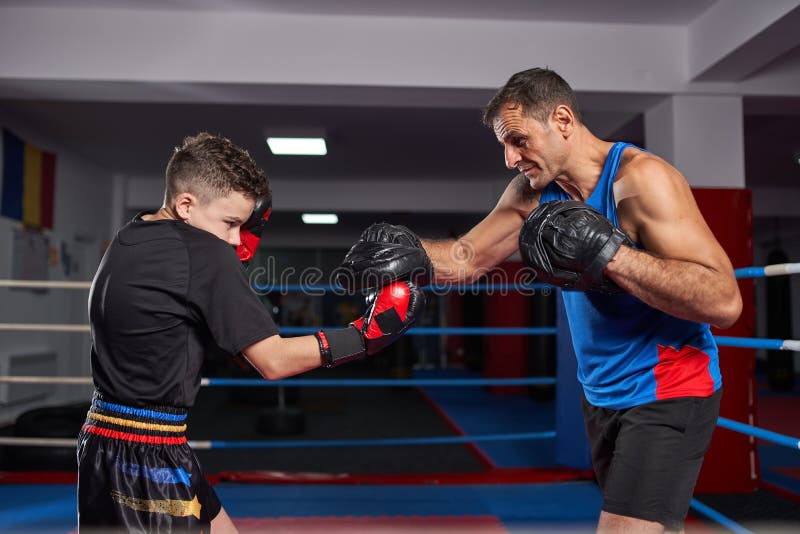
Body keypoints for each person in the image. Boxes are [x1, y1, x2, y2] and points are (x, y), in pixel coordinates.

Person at [337, 68, 742, 533]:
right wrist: (405, 254)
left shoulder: (641, 181)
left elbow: (724, 301)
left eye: (519, 141)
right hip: (602, 394)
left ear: (563, 120)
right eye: (504, 146)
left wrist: (608, 254)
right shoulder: (534, 192)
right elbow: (469, 258)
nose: (511, 159)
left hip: (669, 388)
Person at [78, 132, 424, 533]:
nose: (233, 240)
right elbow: (272, 362)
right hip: (148, 456)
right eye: (230, 223)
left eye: (241, 226)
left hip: (102, 440)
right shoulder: (204, 254)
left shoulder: (129, 236)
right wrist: (365, 336)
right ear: (186, 204)